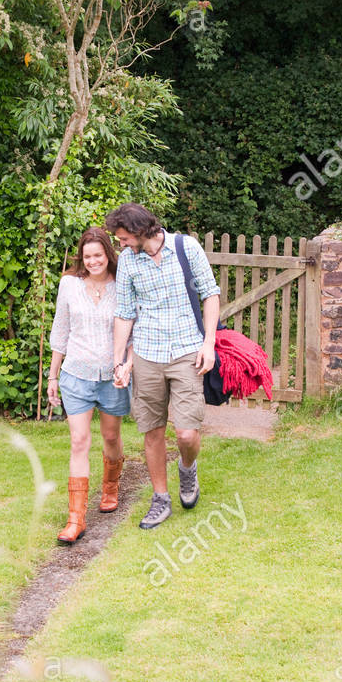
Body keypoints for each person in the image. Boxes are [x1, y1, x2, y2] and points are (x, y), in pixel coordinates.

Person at [105, 202, 220, 530]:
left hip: (187, 350)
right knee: (152, 430)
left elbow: (210, 295)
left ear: (141, 231)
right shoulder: (128, 261)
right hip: (146, 353)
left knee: (186, 433)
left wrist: (208, 343)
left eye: (124, 238)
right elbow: (125, 312)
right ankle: (160, 498)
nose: (121, 244)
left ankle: (187, 469)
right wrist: (119, 362)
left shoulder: (186, 247)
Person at [47, 228, 133, 544]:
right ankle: (76, 519)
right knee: (79, 440)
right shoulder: (69, 285)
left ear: (108, 255)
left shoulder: (123, 284)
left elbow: (134, 330)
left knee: (111, 436)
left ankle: (110, 487)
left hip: (113, 377)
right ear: (81, 258)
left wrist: (127, 364)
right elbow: (60, 331)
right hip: (76, 376)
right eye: (87, 256)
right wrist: (53, 376)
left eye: (98, 255)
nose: (93, 261)